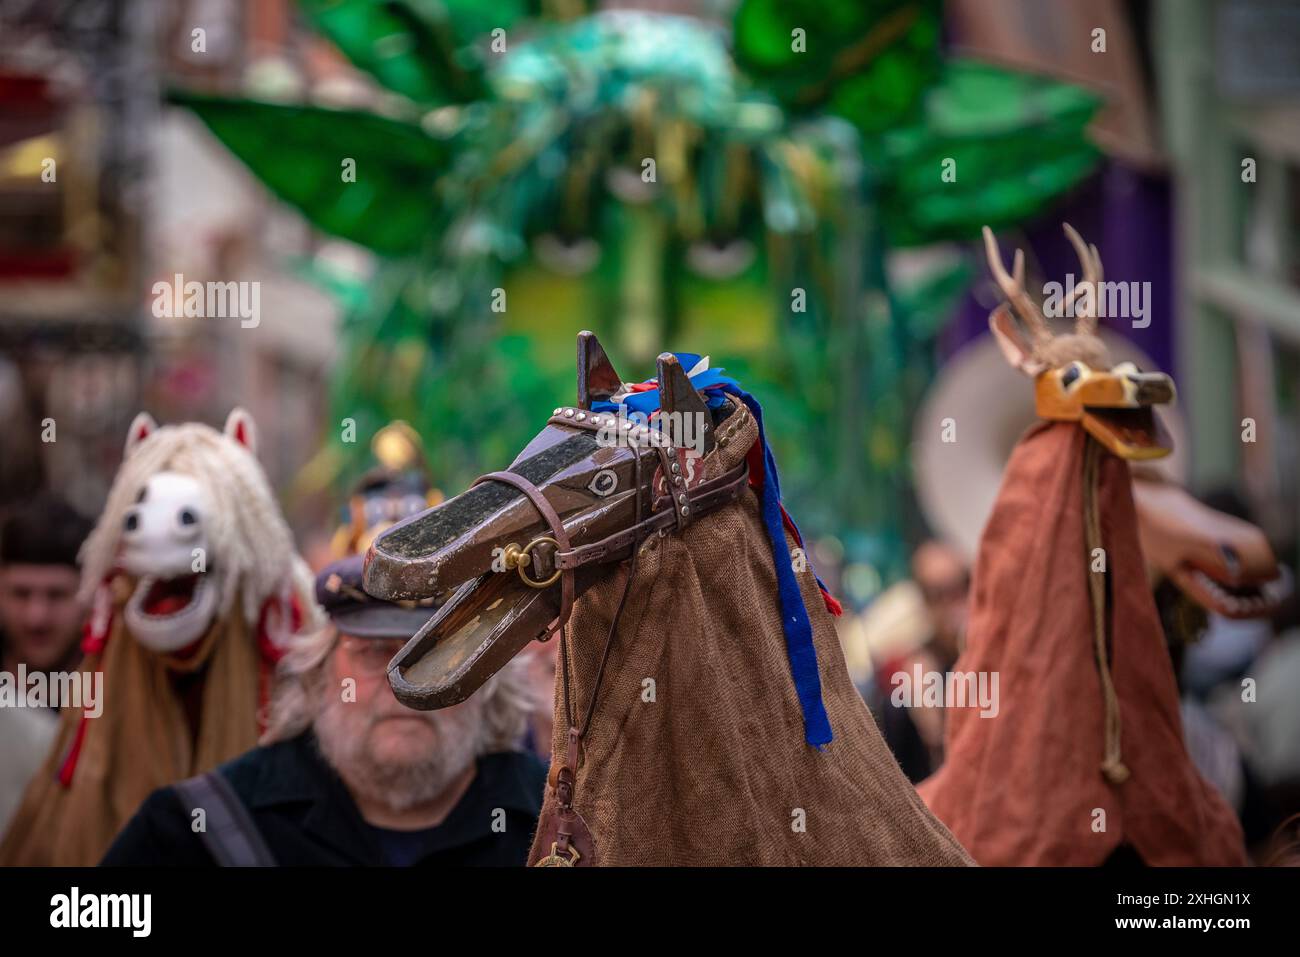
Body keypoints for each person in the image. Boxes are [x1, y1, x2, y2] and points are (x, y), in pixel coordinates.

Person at [102, 555, 544, 866]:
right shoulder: (197, 829)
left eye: (441, 655)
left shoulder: (559, 822)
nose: (405, 688)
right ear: (316, 676)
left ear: (486, 682)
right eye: (374, 653)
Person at [0, 493, 92, 686]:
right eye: (21, 594)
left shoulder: (118, 693)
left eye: (56, 595)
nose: (36, 618)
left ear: (90, 598)